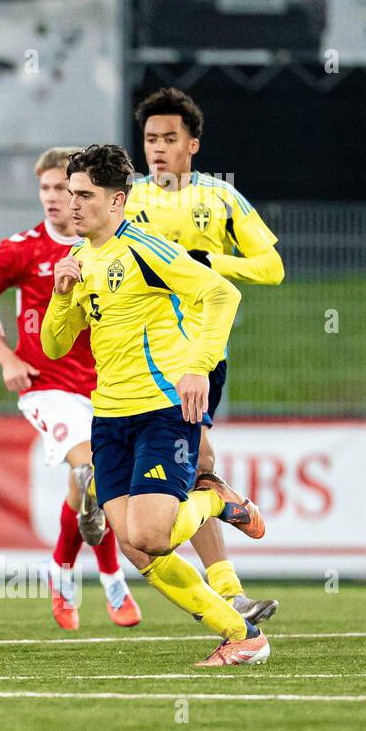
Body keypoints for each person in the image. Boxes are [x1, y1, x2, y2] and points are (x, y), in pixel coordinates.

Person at [41, 144, 269, 666]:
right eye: (69, 194)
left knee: (151, 531)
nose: (72, 205)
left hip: (163, 409)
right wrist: (60, 294)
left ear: (117, 200)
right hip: (110, 417)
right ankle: (243, 637)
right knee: (139, 549)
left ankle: (217, 500)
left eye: (84, 195)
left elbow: (220, 295)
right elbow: (54, 346)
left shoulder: (146, 248)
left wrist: (198, 367)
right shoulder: (78, 260)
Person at [125, 87, 284, 624]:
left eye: (170, 138)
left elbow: (271, 267)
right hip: (136, 354)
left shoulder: (220, 199)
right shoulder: (129, 201)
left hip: (197, 354)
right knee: (195, 468)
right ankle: (226, 585)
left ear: (192, 144)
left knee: (192, 468)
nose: (159, 149)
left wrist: (212, 260)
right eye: (151, 139)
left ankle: (221, 588)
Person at [0, 146, 140, 629]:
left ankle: (61, 567)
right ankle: (110, 578)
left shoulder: (110, 246)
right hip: (47, 387)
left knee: (91, 487)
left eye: (62, 188)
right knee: (90, 471)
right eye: (44, 188)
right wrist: (6, 358)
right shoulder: (22, 248)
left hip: (106, 386)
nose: (52, 197)